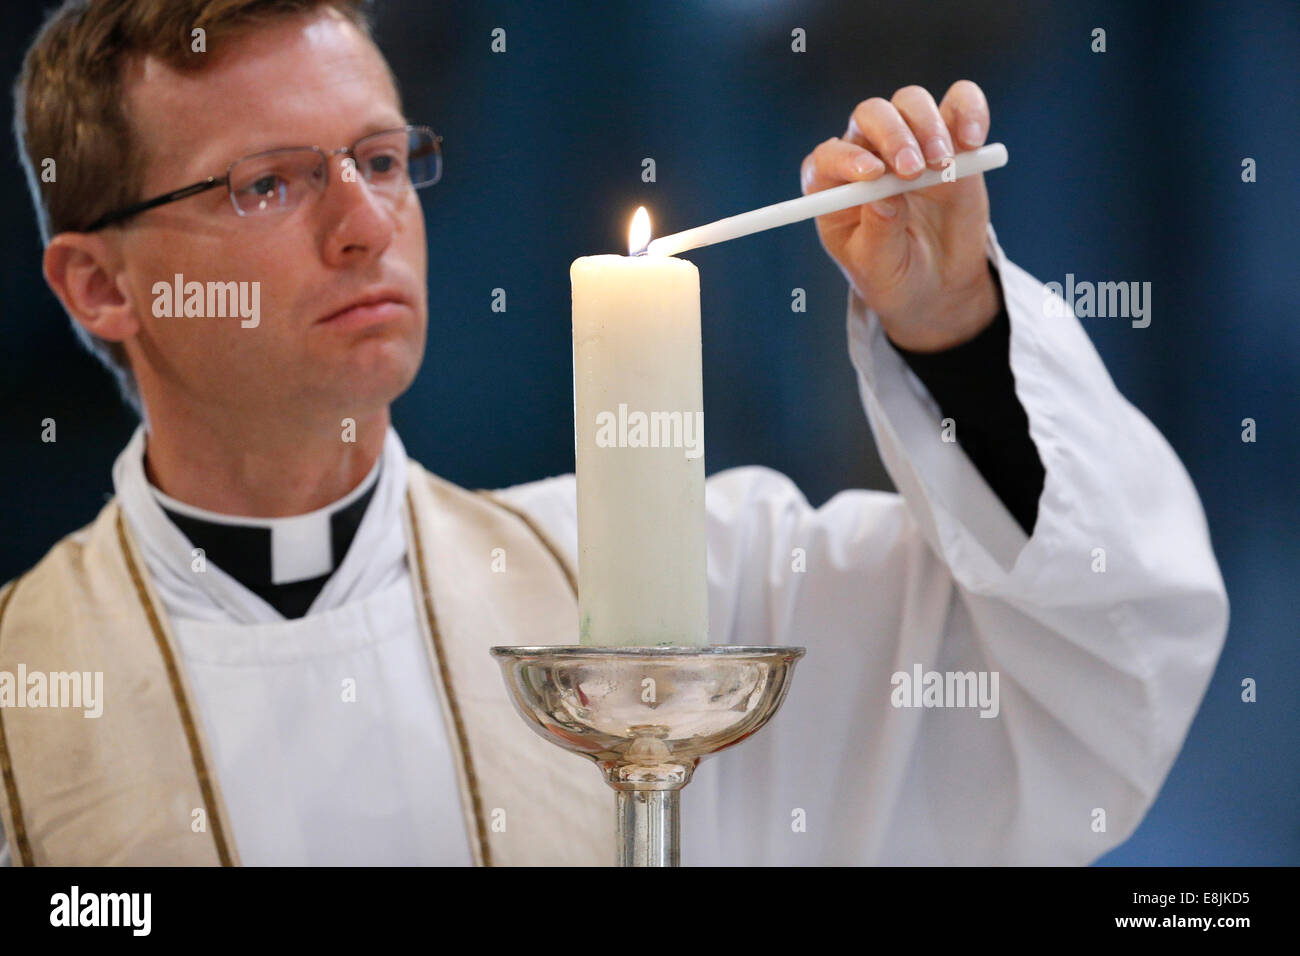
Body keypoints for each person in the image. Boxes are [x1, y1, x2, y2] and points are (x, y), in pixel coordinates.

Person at [0, 0, 1227, 866]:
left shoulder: (673, 612)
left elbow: (1108, 671)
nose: (367, 222)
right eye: (267, 183)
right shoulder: (22, 696)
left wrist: (956, 326)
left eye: (380, 158)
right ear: (99, 286)